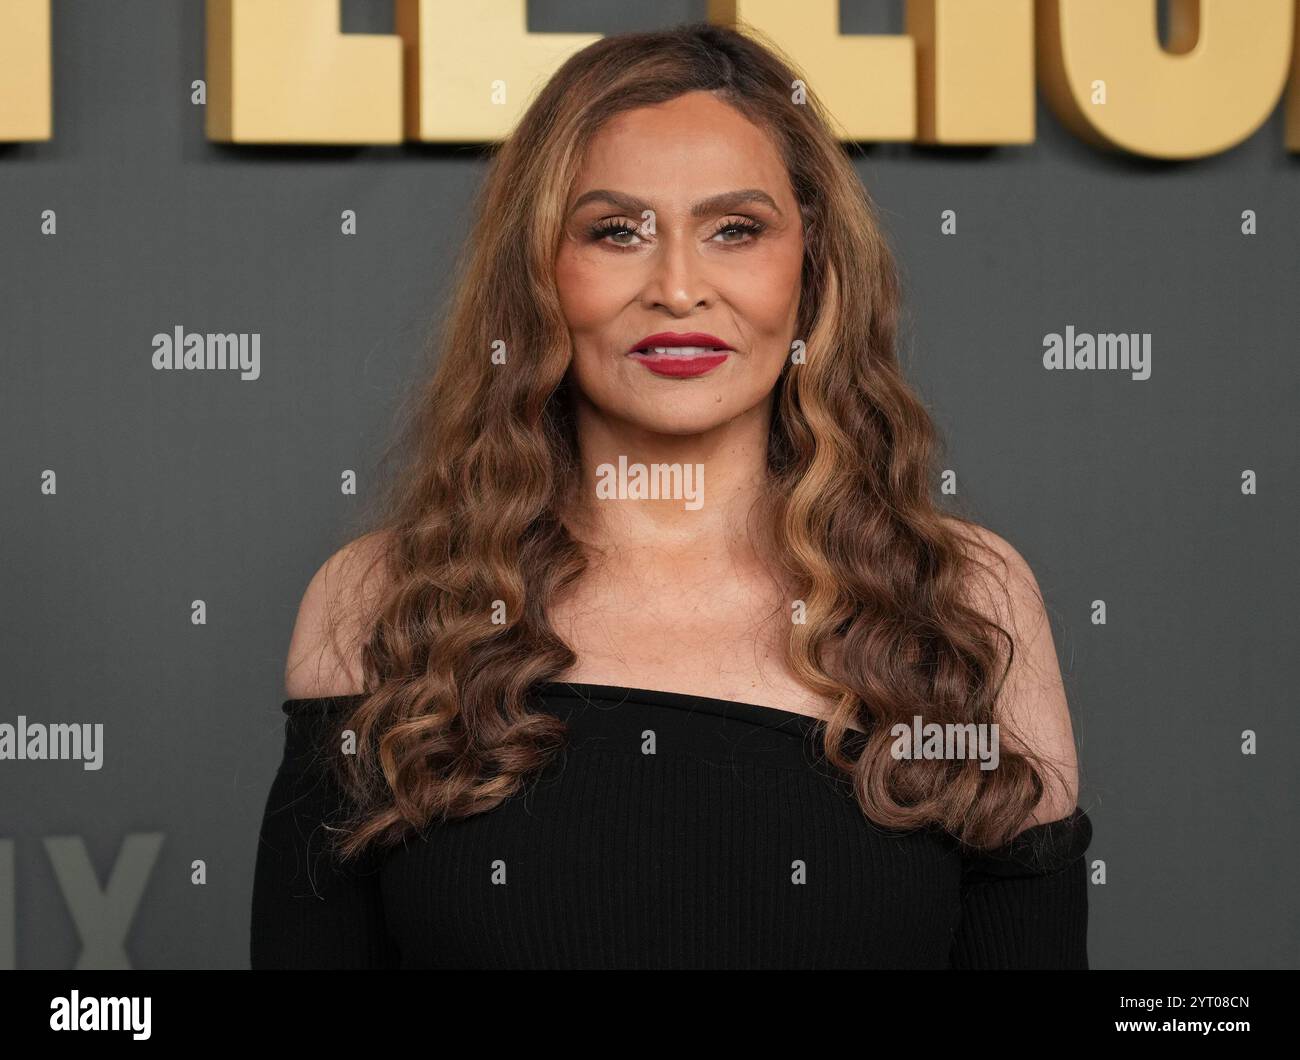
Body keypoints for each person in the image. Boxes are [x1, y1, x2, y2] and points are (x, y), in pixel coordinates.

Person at [251, 21, 1090, 970]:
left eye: (736, 229)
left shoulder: (964, 600)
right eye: (617, 232)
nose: (680, 288)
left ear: (812, 267)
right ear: (536, 274)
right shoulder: (381, 605)